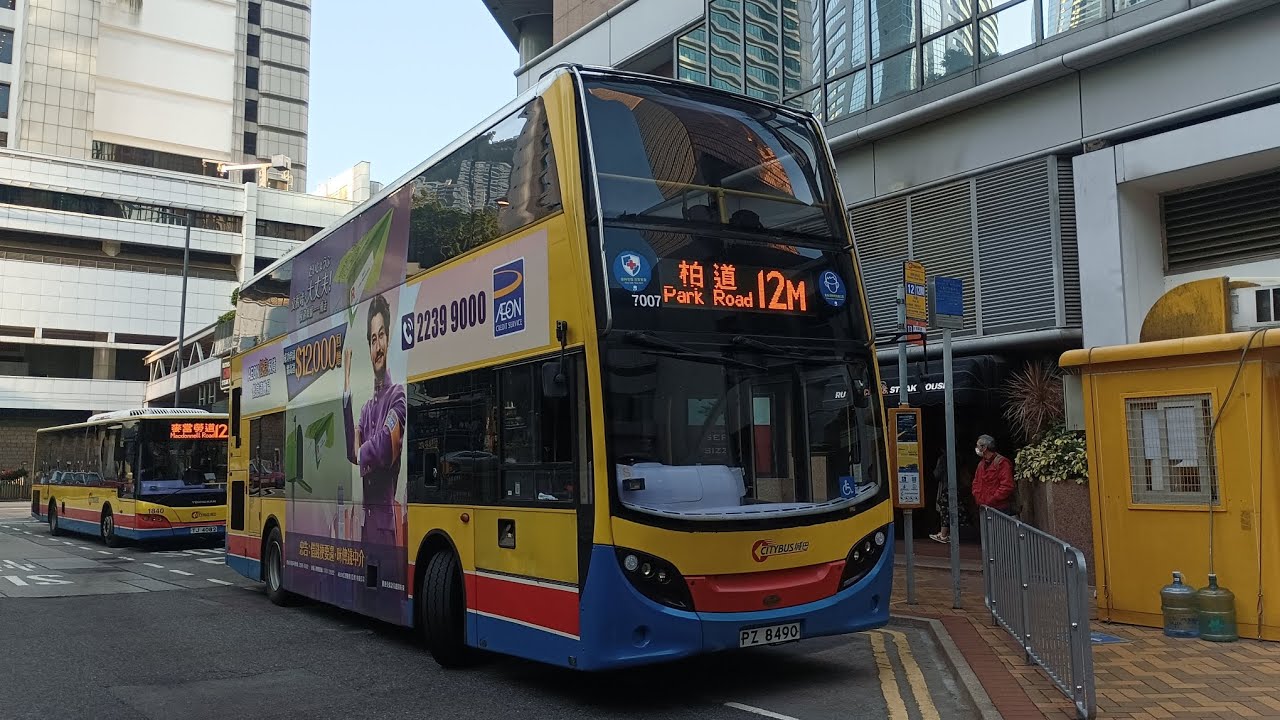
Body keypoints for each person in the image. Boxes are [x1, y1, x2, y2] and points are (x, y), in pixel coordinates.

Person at [344, 293, 407, 547]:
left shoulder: (398, 396)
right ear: (369, 348)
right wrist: (347, 384)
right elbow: (351, 450)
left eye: (381, 335)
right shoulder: (366, 409)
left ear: (388, 339)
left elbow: (383, 448)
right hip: (365, 530)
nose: (378, 346)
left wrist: (361, 452)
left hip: (384, 531)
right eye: (372, 339)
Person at [929, 450, 971, 543]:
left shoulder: (943, 458)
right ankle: (953, 533)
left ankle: (943, 534)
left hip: (946, 486)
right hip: (958, 487)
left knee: (945, 510)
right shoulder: (959, 457)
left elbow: (937, 474)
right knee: (957, 509)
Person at [971, 434, 1015, 515]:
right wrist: (977, 497)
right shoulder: (981, 464)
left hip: (999, 509)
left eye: (978, 446)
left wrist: (992, 499)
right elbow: (976, 482)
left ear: (985, 448)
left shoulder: (1002, 463)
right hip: (984, 508)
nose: (977, 449)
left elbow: (1007, 486)